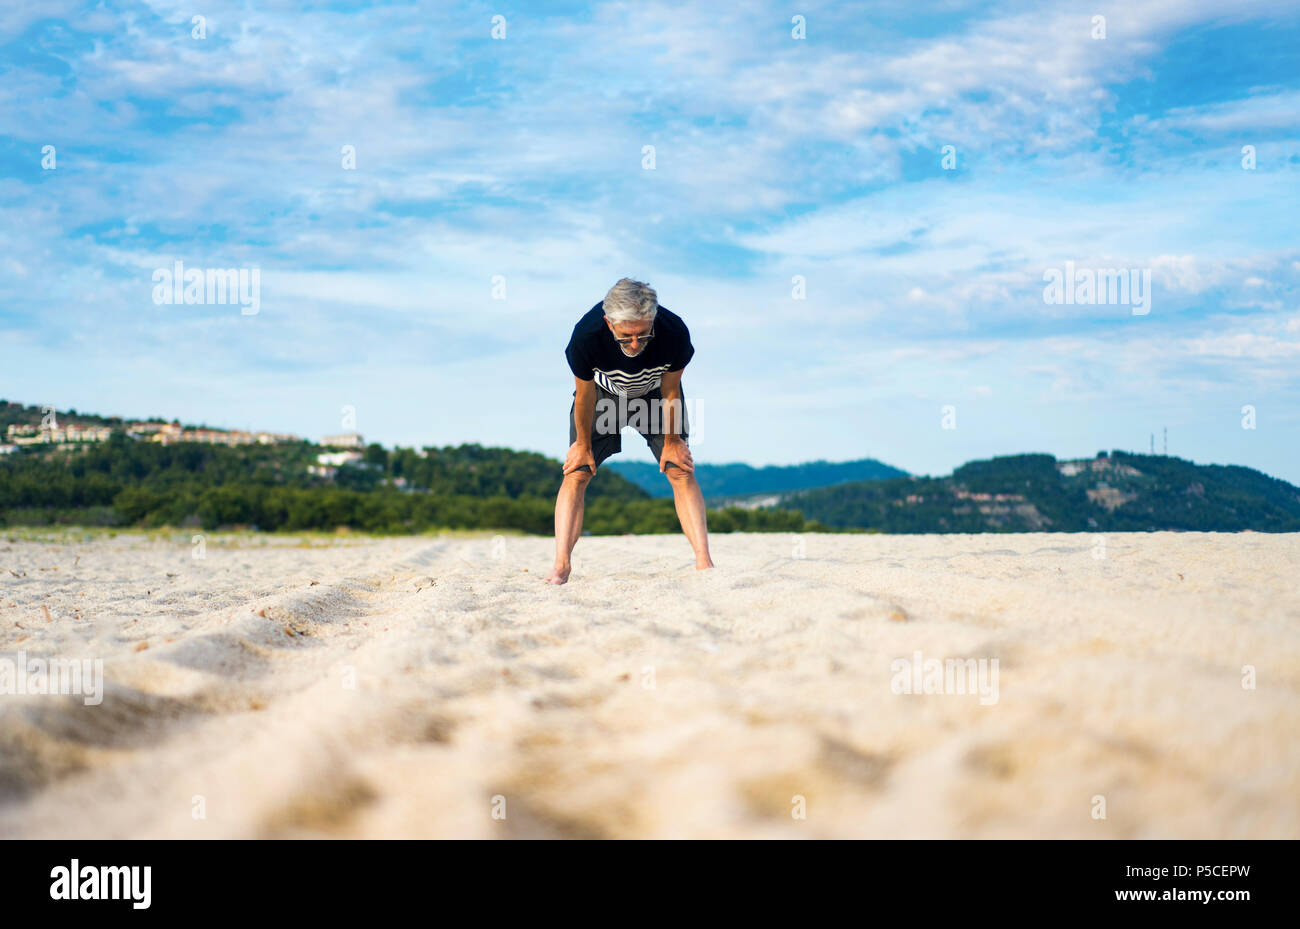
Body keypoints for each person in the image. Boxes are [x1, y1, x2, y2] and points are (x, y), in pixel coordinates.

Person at [544, 278, 714, 584]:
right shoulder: (586, 336)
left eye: (642, 335)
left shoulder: (673, 331)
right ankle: (561, 566)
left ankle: (704, 562)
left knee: (680, 468)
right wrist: (582, 445)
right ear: (610, 324)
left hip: (654, 395)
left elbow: (672, 389)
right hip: (602, 396)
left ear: (653, 319)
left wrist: (673, 441)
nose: (635, 345)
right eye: (626, 337)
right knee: (577, 471)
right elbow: (584, 396)